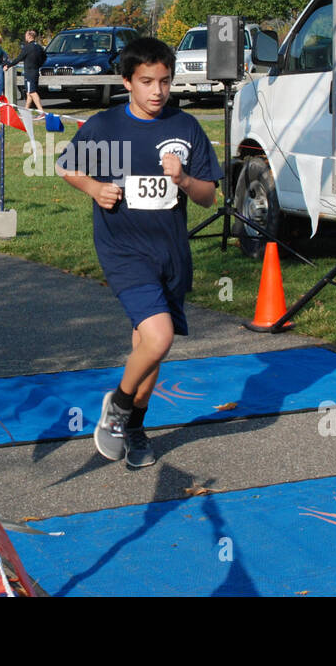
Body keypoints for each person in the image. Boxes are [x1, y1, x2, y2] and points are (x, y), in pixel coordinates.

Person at [57, 37, 222, 468]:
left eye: (164, 82)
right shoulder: (107, 127)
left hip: (170, 253)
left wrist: (184, 179)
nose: (157, 91)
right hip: (124, 250)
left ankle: (134, 426)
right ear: (128, 81)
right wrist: (94, 188)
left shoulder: (185, 128)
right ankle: (118, 407)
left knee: (148, 346)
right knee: (160, 337)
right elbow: (66, 165)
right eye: (147, 81)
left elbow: (208, 197)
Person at [7, 29, 46, 114]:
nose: (25, 37)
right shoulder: (39, 47)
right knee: (29, 93)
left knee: (32, 92)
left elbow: (18, 58)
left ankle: (41, 112)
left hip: (29, 73)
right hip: (35, 72)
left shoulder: (27, 47)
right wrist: (38, 65)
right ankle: (25, 112)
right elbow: (44, 58)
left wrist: (8, 65)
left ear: (29, 36)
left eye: (25, 35)